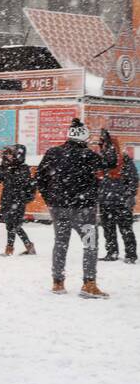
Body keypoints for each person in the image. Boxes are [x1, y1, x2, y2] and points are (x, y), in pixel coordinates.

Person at [36, 119, 117, 298]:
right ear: (85, 137)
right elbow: (111, 163)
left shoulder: (53, 153)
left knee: (60, 243)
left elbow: (40, 178)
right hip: (84, 209)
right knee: (90, 244)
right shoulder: (89, 155)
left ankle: (58, 282)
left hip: (58, 208)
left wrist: (49, 198)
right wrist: (107, 143)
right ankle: (89, 284)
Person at [98, 143, 137, 264]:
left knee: (122, 229)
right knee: (113, 229)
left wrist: (129, 195)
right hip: (109, 201)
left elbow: (133, 180)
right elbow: (133, 179)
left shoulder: (124, 162)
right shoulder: (102, 162)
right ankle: (115, 253)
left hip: (118, 201)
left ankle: (127, 254)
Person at [0, 144, 37, 257]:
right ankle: (29, 246)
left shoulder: (23, 168)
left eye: (11, 154)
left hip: (17, 201)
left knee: (13, 225)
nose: (8, 156)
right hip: (8, 200)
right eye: (8, 154)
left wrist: (7, 170)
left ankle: (9, 250)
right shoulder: (8, 167)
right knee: (13, 226)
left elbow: (20, 184)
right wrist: (0, 163)